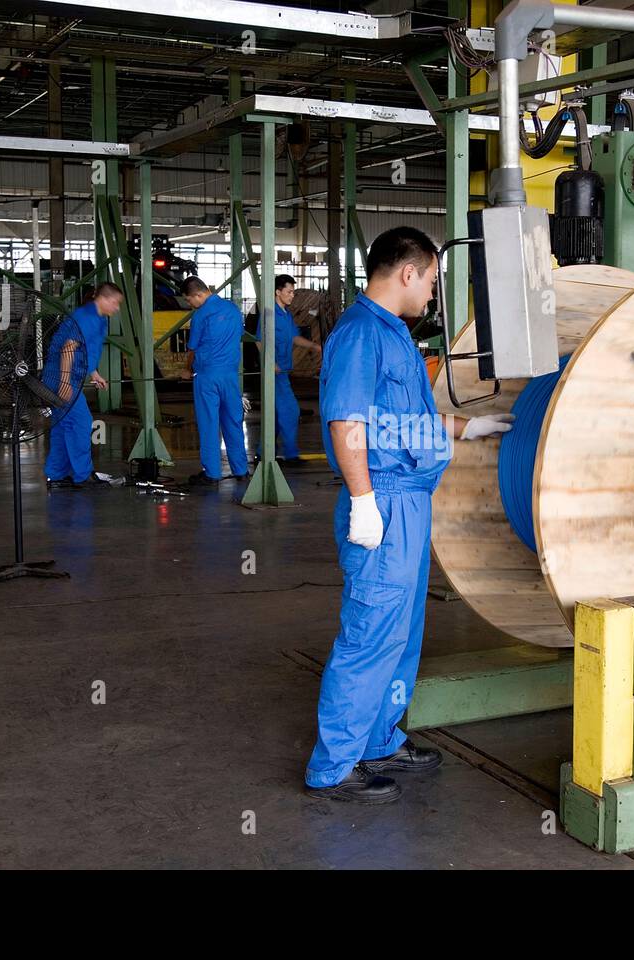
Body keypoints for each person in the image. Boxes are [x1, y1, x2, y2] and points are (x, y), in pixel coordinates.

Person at [305, 227, 515, 803]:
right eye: (431, 281)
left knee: (403, 635)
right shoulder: (358, 336)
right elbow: (347, 424)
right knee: (370, 635)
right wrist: (365, 502)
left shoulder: (393, 334)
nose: (431, 294)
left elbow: (401, 421)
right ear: (408, 272)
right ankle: (333, 767)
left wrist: (469, 427)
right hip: (384, 503)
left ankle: (379, 740)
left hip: (411, 504)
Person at [43, 282, 123, 488]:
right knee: (81, 422)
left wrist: (94, 373)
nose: (117, 308)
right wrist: (64, 382)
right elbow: (69, 349)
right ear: (103, 299)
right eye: (115, 303)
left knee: (62, 425)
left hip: (68, 375)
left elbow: (86, 349)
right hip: (62, 376)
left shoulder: (98, 319)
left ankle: (56, 475)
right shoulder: (87, 317)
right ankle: (82, 476)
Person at [181, 276, 250, 486]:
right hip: (230, 377)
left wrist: (186, 370)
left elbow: (192, 348)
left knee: (209, 423)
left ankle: (212, 473)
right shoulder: (232, 309)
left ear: (198, 295)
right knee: (233, 421)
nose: (189, 304)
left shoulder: (201, 315)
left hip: (207, 377)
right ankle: (241, 470)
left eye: (189, 300)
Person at [256, 274, 321, 463]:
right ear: (278, 292)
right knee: (291, 410)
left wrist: (313, 346)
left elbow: (294, 337)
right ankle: (291, 454)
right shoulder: (269, 314)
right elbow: (259, 341)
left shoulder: (286, 314)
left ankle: (263, 451)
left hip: (283, 370)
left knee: (276, 414)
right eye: (289, 292)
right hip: (273, 373)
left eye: (293, 292)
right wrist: (270, 363)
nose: (292, 295)